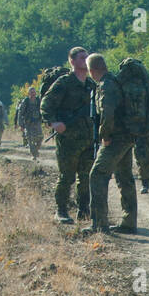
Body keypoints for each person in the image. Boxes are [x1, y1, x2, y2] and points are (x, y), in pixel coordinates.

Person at [40, 47, 95, 225]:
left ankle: (84, 210)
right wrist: (53, 123)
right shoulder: (64, 83)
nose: (85, 61)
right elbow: (46, 104)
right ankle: (61, 210)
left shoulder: (91, 85)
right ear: (72, 61)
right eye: (81, 58)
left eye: (87, 58)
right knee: (67, 176)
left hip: (88, 137)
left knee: (86, 176)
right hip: (68, 139)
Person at [85, 54, 137, 235]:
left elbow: (107, 112)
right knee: (124, 177)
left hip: (115, 138)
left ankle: (99, 224)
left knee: (97, 175)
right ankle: (129, 222)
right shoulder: (116, 81)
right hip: (128, 136)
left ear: (91, 71)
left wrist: (104, 135)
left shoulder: (106, 86)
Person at [16, 87, 43, 160]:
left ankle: (36, 150)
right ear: (28, 94)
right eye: (31, 92)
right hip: (28, 124)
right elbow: (20, 113)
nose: (33, 94)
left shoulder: (38, 101)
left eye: (34, 92)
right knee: (30, 139)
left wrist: (46, 121)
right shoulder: (26, 101)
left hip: (37, 122)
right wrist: (21, 125)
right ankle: (34, 155)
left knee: (40, 137)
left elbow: (43, 110)